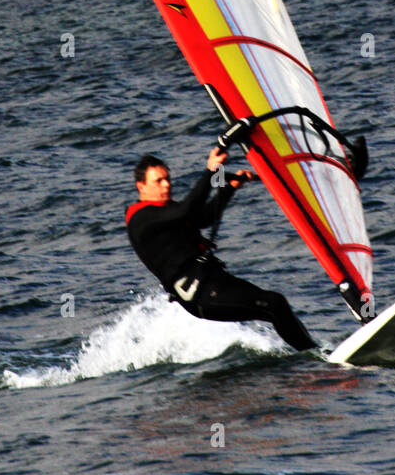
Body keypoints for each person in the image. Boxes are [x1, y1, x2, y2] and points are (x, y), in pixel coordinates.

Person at [126, 147, 316, 351]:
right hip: (200, 295)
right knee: (274, 304)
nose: (167, 184)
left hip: (213, 282)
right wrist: (211, 171)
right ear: (141, 186)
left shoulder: (165, 209)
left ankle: (315, 352)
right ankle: (315, 355)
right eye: (159, 181)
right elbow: (186, 210)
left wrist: (229, 188)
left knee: (276, 305)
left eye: (167, 179)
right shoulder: (141, 218)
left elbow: (203, 218)